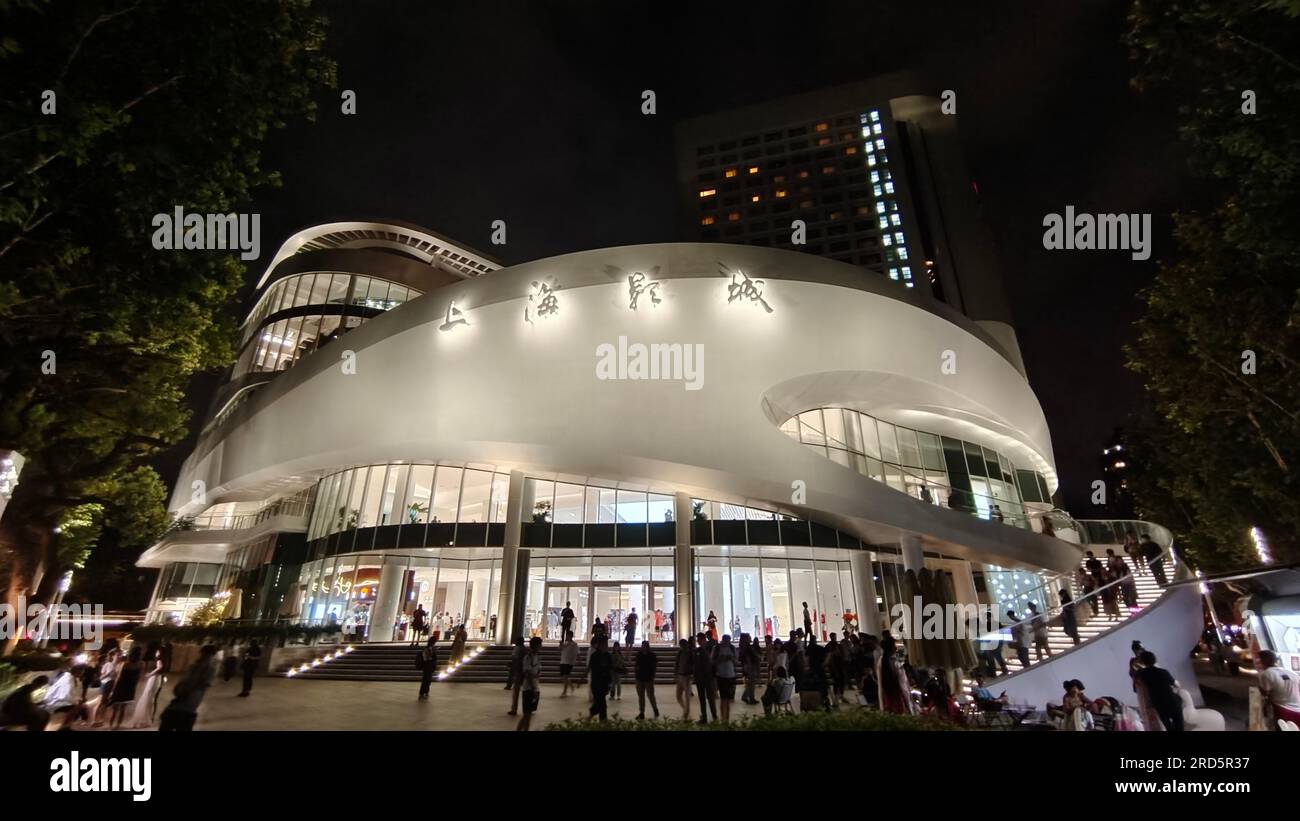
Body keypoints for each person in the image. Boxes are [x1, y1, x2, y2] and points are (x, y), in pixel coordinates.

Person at [159, 644, 219, 731]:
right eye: (204, 654)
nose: (204, 657)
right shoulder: (195, 666)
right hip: (181, 703)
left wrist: (186, 689)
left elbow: (203, 684)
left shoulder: (209, 669)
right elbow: (185, 680)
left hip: (188, 704)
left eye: (207, 655)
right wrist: (179, 688)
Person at [1133, 651, 1183, 731]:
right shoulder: (1163, 672)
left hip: (1159, 705)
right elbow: (1176, 684)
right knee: (1179, 725)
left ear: (1142, 662)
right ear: (1155, 659)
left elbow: (1135, 686)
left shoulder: (1142, 674)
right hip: (1173, 702)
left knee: (1168, 727)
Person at [1257, 650, 1300, 726]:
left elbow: (1265, 693)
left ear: (1262, 661)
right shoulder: (1291, 672)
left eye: (1258, 659)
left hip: (1283, 711)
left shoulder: (1266, 673)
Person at [106, 646, 144, 730]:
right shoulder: (140, 664)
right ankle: (118, 725)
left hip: (120, 686)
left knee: (115, 708)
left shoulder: (125, 664)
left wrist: (112, 690)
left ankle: (110, 725)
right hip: (130, 687)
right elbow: (139, 677)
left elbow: (118, 678)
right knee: (123, 708)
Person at [876, 636, 912, 714]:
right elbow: (903, 686)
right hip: (897, 696)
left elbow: (880, 685)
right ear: (891, 647)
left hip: (887, 697)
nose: (896, 648)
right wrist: (909, 706)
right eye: (894, 645)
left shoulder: (881, 661)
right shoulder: (896, 663)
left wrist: (881, 706)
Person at [517, 637, 543, 731]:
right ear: (536, 645)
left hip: (535, 687)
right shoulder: (528, 657)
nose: (541, 646)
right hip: (529, 689)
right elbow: (527, 674)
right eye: (540, 644)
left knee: (528, 714)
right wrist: (534, 689)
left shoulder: (537, 657)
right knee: (527, 714)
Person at [692, 633, 718, 724]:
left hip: (708, 677)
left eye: (699, 639)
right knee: (702, 699)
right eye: (698, 640)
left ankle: (714, 716)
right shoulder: (697, 651)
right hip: (701, 678)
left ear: (703, 639)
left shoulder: (710, 648)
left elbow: (711, 662)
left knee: (710, 698)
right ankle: (705, 717)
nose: (698, 641)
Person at [714, 634, 738, 724]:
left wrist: (731, 658)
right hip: (721, 675)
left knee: (728, 699)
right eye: (726, 640)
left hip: (730, 675)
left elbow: (736, 661)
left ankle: (726, 719)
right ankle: (723, 718)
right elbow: (712, 661)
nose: (727, 642)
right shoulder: (717, 648)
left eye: (728, 640)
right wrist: (721, 659)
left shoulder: (732, 648)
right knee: (723, 698)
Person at [587, 637, 613, 722]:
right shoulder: (595, 656)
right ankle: (602, 720)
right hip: (596, 683)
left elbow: (611, 668)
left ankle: (594, 717)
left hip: (604, 683)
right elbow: (590, 668)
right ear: (600, 645)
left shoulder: (608, 656)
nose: (606, 646)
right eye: (605, 645)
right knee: (601, 703)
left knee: (600, 702)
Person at [634, 640, 660, 720]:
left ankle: (655, 709)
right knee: (641, 696)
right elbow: (636, 665)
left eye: (644, 646)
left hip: (648, 678)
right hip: (640, 678)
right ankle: (642, 712)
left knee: (650, 695)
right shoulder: (639, 655)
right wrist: (636, 675)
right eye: (642, 646)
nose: (643, 647)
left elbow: (655, 666)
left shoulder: (651, 655)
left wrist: (653, 675)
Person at [674, 637, 694, 719]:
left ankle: (686, 711)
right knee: (678, 696)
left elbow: (693, 664)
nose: (682, 647)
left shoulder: (690, 653)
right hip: (680, 675)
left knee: (687, 695)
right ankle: (685, 709)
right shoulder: (680, 653)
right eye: (681, 645)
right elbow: (677, 663)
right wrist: (675, 674)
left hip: (687, 676)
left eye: (683, 645)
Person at [738, 634, 761, 705]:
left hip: (748, 666)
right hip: (750, 666)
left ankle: (747, 696)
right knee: (751, 683)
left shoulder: (744, 647)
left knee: (751, 683)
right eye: (749, 637)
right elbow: (748, 657)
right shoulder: (747, 647)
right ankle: (750, 697)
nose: (750, 638)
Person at [558, 633, 579, 697]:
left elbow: (577, 653)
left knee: (565, 676)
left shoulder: (574, 644)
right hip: (562, 661)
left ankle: (564, 691)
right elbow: (560, 649)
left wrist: (578, 660)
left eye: (568, 636)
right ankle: (571, 685)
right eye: (566, 636)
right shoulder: (565, 644)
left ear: (571, 636)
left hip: (569, 662)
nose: (566, 638)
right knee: (563, 677)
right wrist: (560, 644)